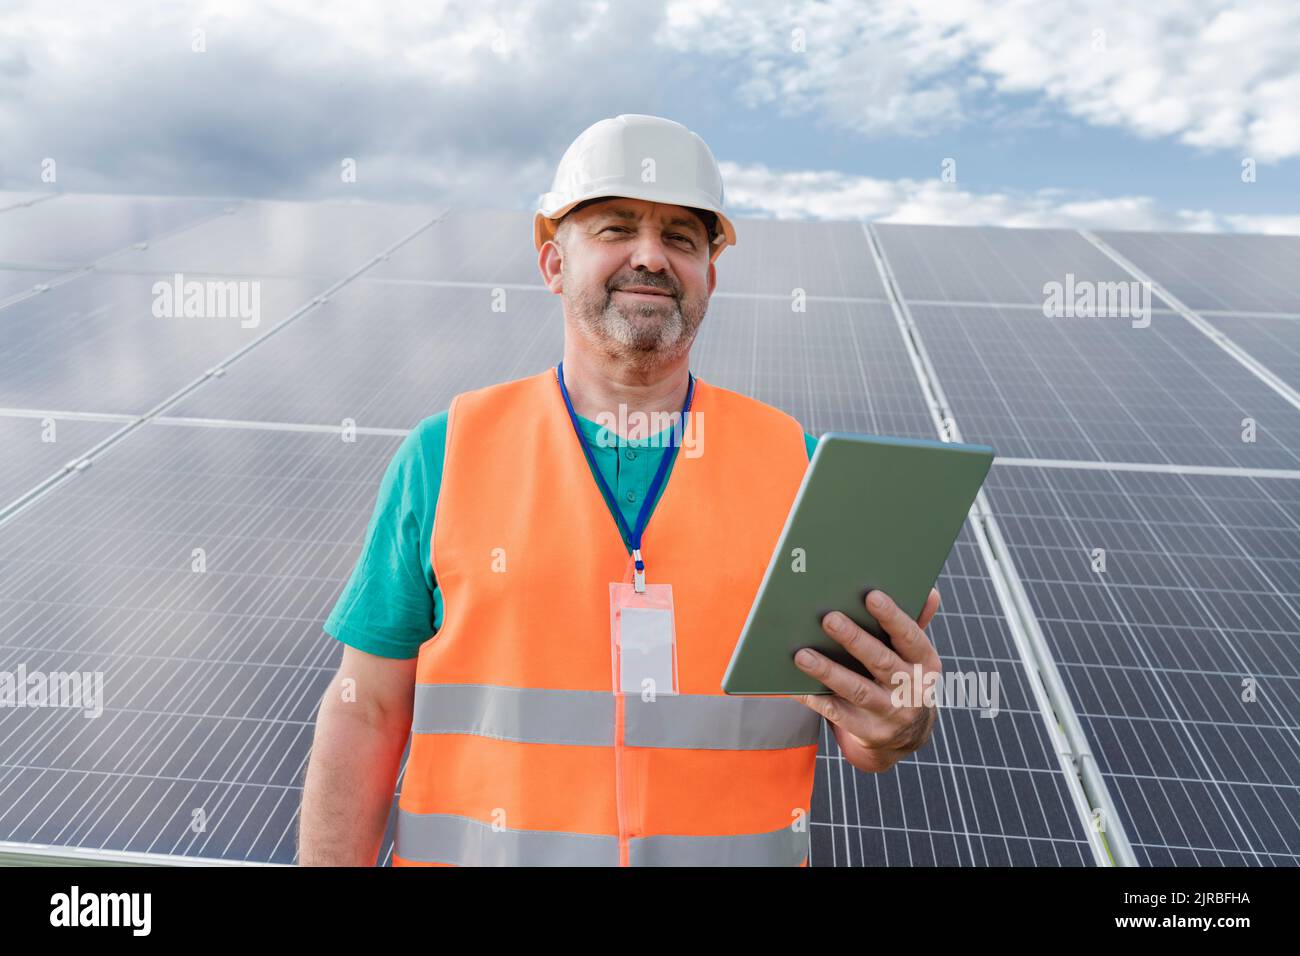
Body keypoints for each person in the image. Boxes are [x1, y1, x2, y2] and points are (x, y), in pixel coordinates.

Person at [299, 114, 942, 866]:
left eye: (681, 237)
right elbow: (367, 711)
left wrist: (898, 719)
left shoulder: (802, 473)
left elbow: (864, 733)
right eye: (615, 228)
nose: (651, 256)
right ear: (551, 263)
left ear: (710, 273)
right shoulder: (443, 457)